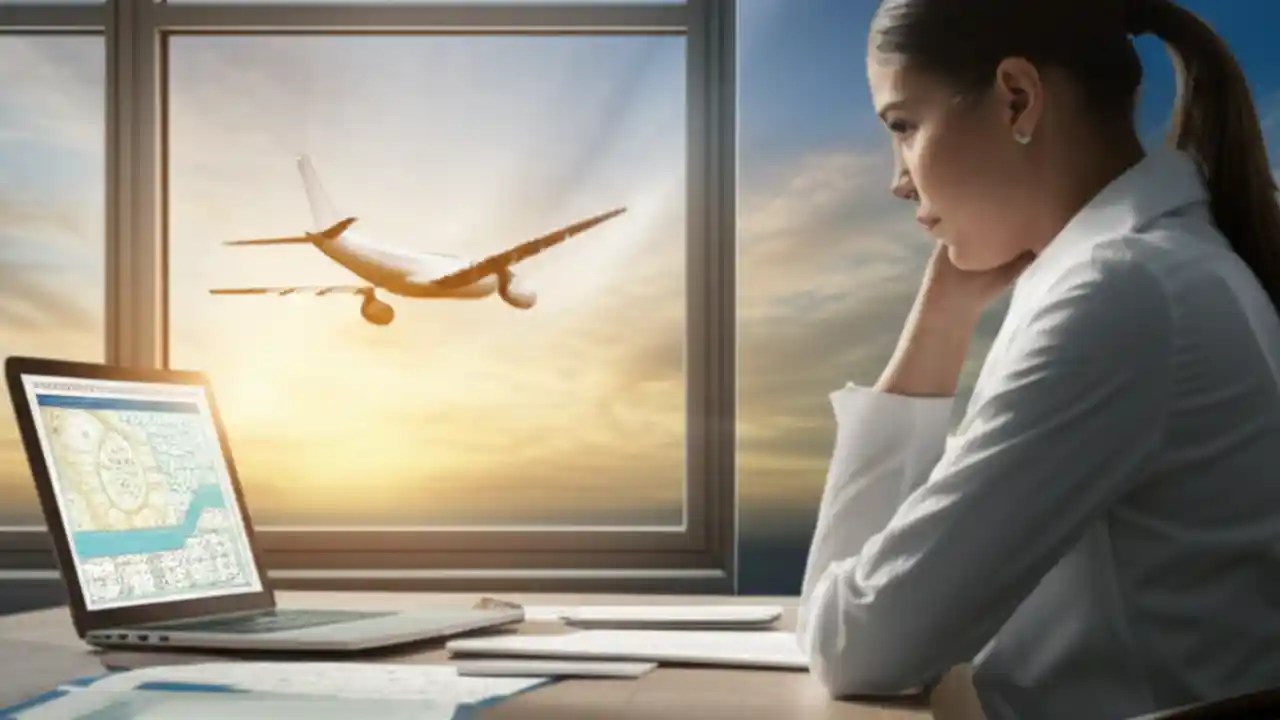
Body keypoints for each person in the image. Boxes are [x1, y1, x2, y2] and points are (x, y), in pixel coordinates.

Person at [794, 0, 1280, 718]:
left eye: (904, 127)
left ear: (1017, 99)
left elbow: (856, 644)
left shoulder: (1118, 297)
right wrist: (947, 312)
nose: (898, 179)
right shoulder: (1160, 267)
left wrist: (933, 328)